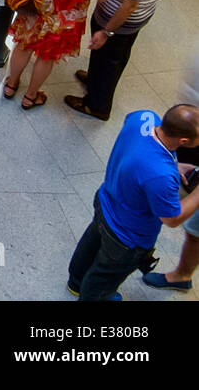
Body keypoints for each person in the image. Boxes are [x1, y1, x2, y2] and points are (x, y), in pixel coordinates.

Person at [67, 105, 199, 301]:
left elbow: (142, 153)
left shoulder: (144, 117)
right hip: (127, 237)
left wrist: (173, 164)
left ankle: (75, 284)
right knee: (105, 276)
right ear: (183, 141)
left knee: (90, 245)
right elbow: (171, 219)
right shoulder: (161, 175)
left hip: (105, 202)